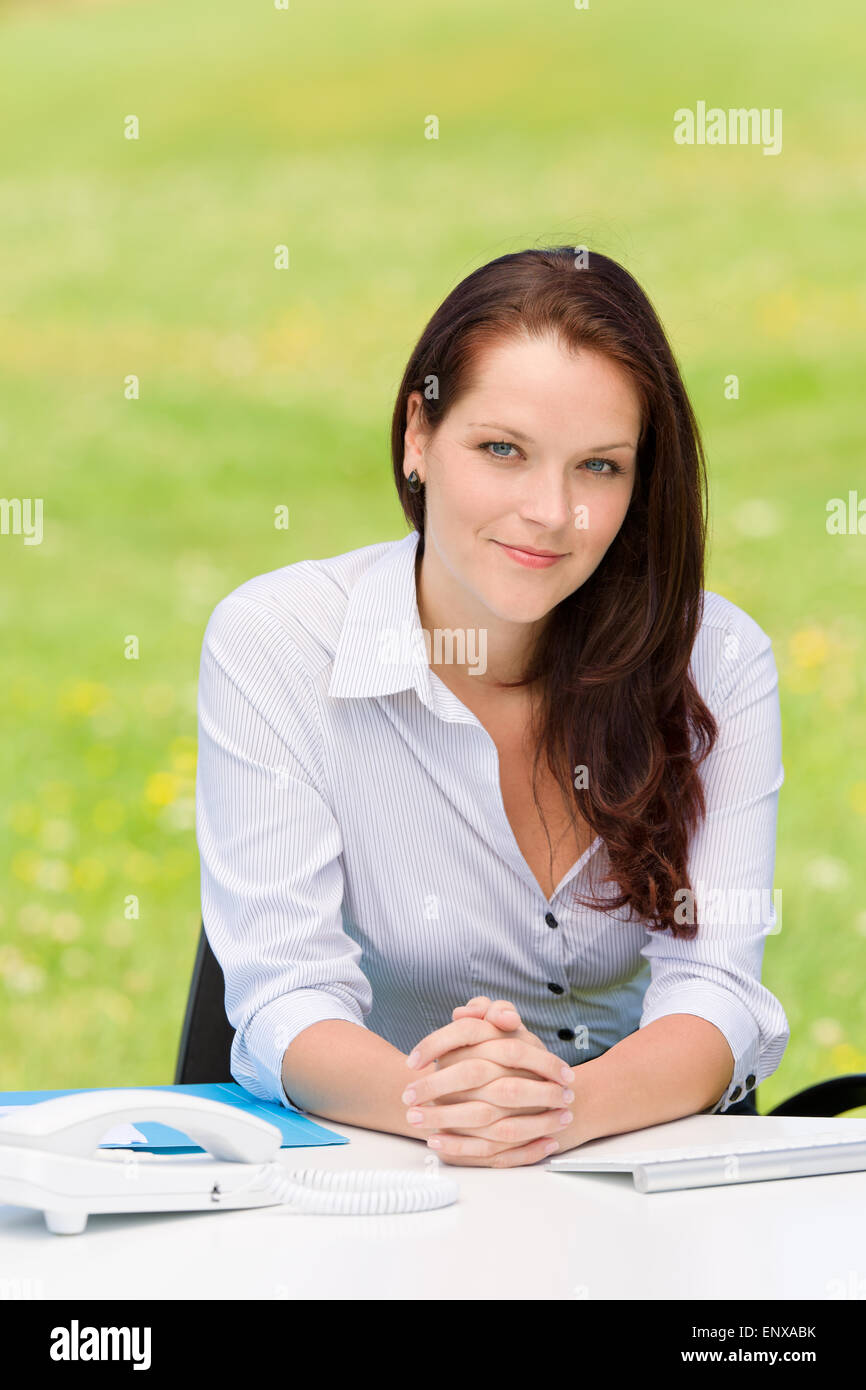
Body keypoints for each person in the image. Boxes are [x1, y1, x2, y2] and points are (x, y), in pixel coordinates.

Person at [196, 246, 786, 1169]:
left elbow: (712, 987)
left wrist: (561, 1108)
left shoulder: (718, 659)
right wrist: (448, 1104)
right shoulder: (277, 641)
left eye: (598, 466)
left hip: (635, 1166)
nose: (549, 511)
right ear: (417, 436)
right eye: (502, 450)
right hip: (387, 1169)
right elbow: (287, 995)